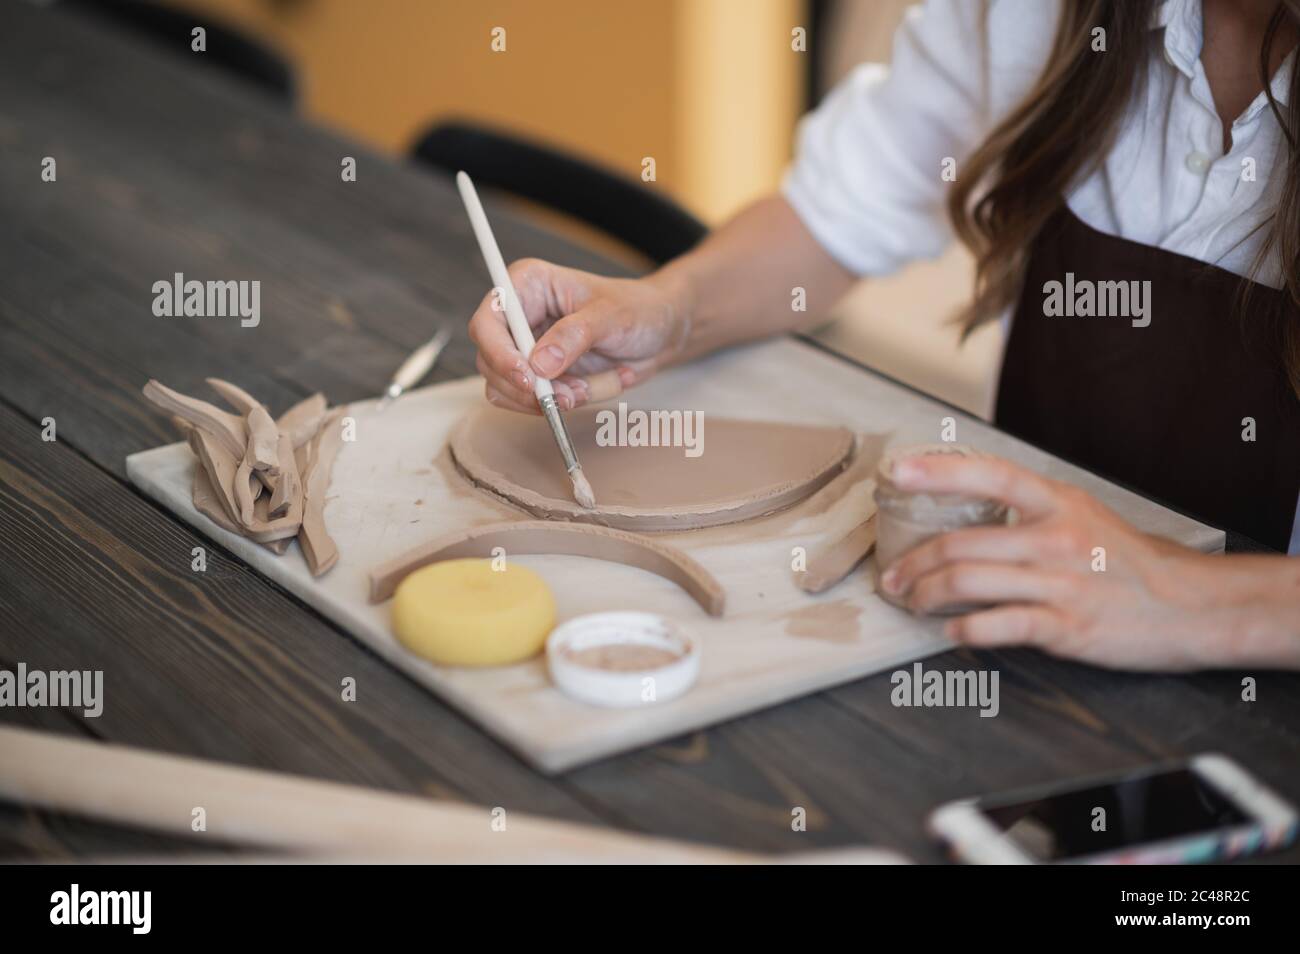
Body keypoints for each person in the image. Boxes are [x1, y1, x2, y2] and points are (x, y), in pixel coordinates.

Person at [468, 0, 1300, 671]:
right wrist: (668, 310)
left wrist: (1188, 594)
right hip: (1004, 628)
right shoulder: (1041, 15)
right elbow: (836, 218)